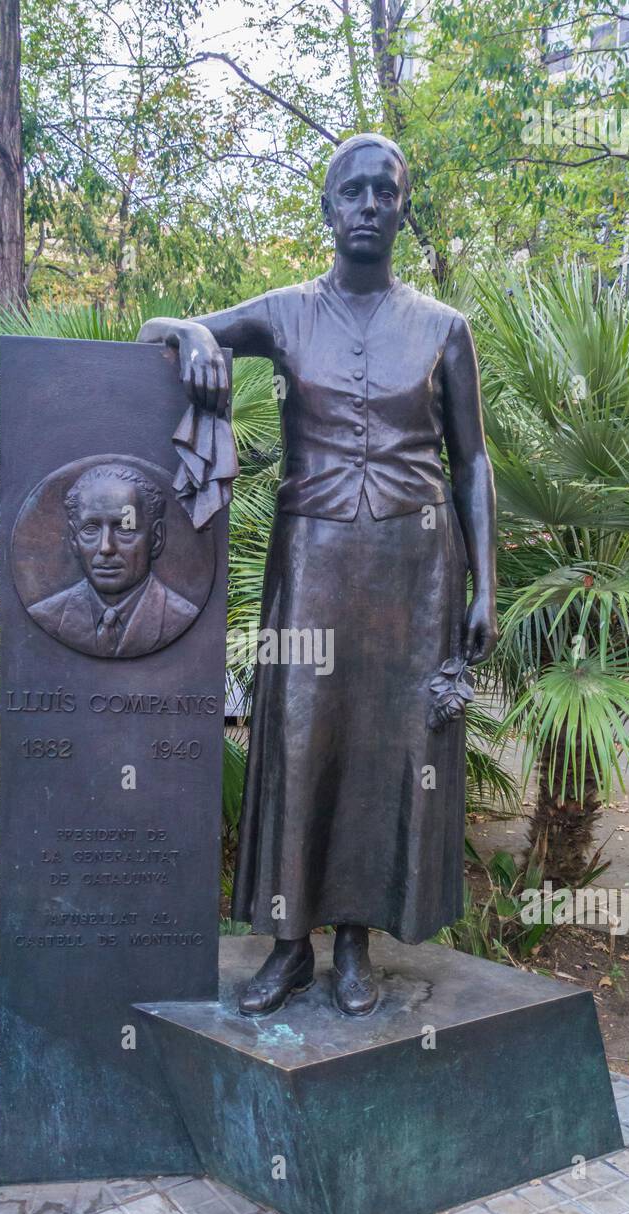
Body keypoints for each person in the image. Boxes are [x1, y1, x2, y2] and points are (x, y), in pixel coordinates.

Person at [140, 133, 498, 1017]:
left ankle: (352, 947)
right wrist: (189, 335)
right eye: (353, 191)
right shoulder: (286, 311)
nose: (370, 204)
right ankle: (287, 943)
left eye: (387, 190)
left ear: (403, 208)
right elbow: (158, 333)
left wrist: (486, 581)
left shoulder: (443, 329)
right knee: (301, 740)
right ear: (328, 210)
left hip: (418, 567)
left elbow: (472, 463)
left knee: (387, 753)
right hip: (314, 559)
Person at [29, 462, 198, 658]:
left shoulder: (180, 616)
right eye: (90, 530)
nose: (106, 547)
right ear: (74, 539)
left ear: (156, 538)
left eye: (125, 529)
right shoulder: (49, 615)